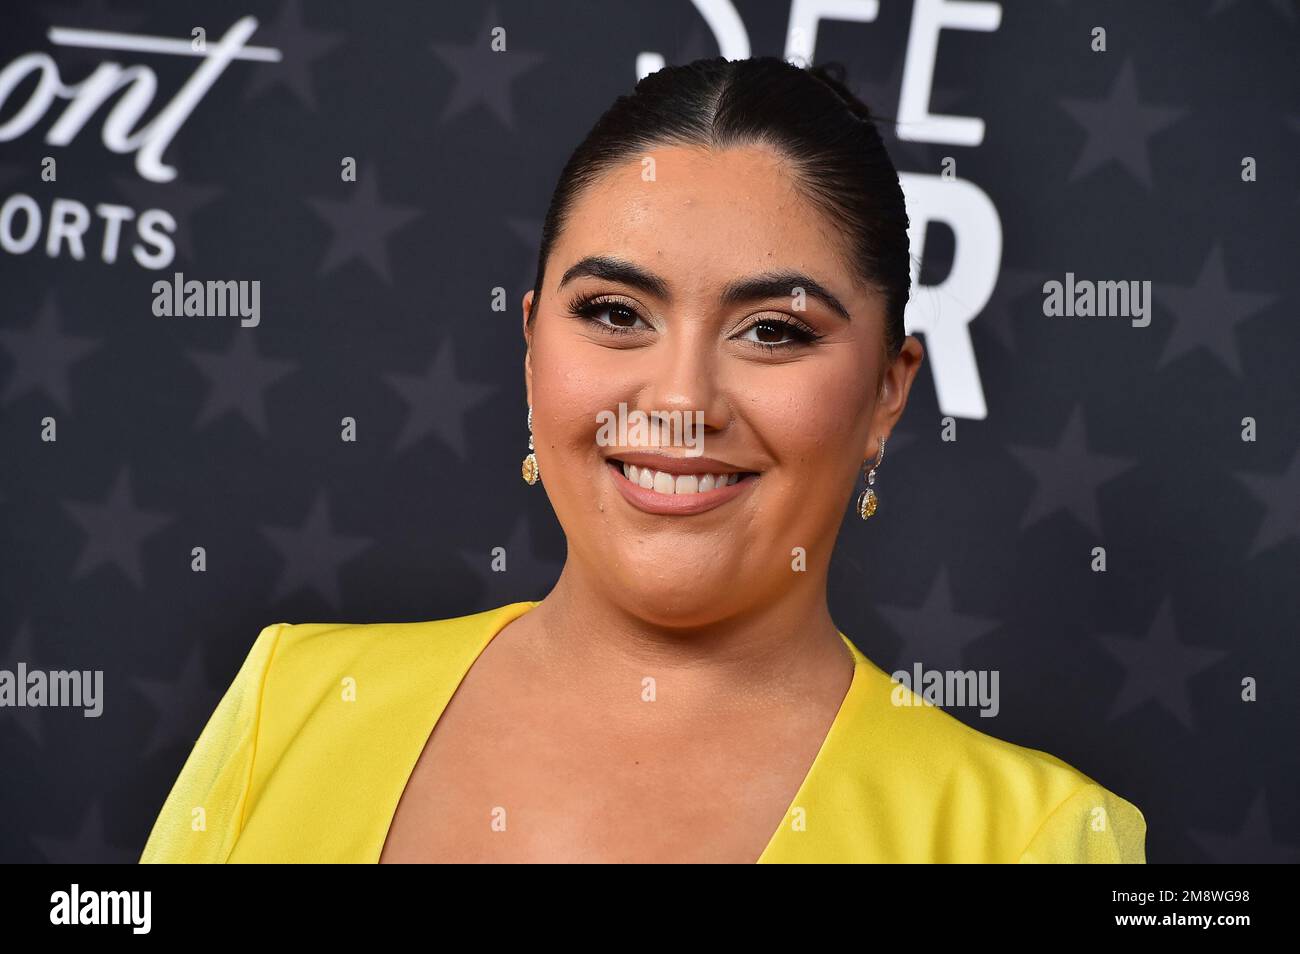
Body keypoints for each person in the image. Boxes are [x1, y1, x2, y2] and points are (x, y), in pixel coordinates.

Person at [139, 56, 1145, 863]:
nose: (678, 403)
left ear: (888, 389)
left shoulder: (1027, 838)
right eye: (615, 314)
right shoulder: (293, 701)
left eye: (774, 331)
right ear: (533, 345)